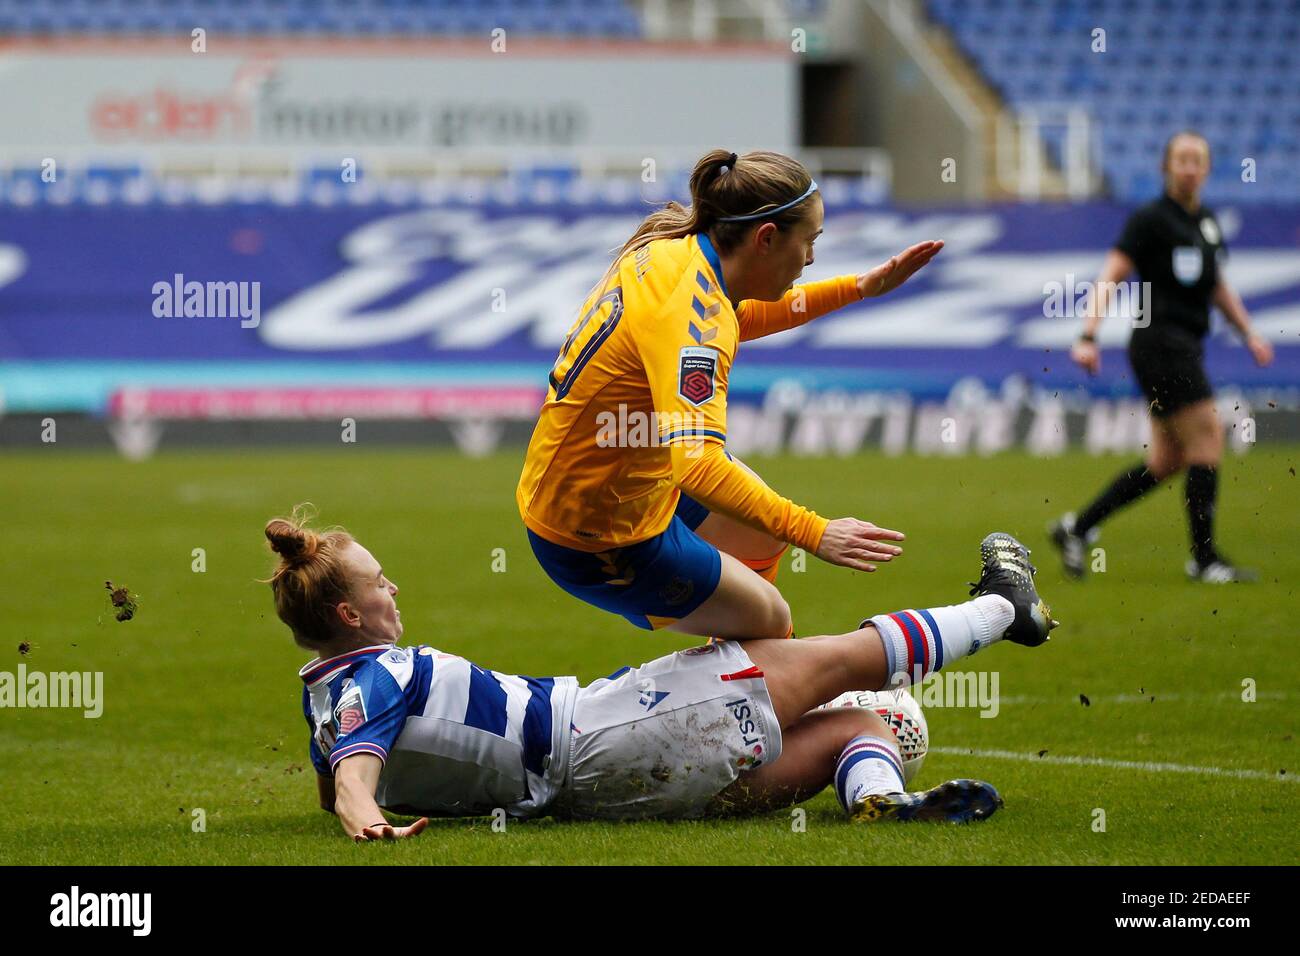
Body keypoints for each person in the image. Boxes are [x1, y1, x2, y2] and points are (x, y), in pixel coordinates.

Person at [264, 508, 1058, 840]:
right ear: (348, 617)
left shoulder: (326, 705)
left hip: (606, 789)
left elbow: (342, 767)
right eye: (378, 584)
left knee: (861, 724)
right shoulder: (374, 681)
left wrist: (354, 794)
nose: (391, 588)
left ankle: (880, 799)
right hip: (599, 734)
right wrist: (364, 818)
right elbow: (354, 782)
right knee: (834, 660)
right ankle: (1001, 611)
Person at [517, 148, 943, 640]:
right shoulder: (695, 321)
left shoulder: (674, 253)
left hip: (609, 482)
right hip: (594, 533)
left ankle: (740, 678)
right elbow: (697, 466)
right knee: (769, 619)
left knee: (758, 532)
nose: (810, 258)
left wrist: (858, 288)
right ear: (765, 238)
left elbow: (738, 317)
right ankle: (731, 702)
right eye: (809, 242)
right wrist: (815, 532)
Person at [1051, 131, 1274, 583]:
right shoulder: (1151, 219)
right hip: (1159, 344)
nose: (1189, 167)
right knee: (1208, 437)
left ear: (1207, 168)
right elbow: (1111, 274)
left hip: (1184, 345)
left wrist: (1248, 332)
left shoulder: (1207, 222)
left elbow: (1216, 286)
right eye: (1181, 159)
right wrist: (1088, 334)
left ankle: (1078, 526)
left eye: (1197, 160)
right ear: (1166, 167)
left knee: (1168, 460)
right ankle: (1204, 560)